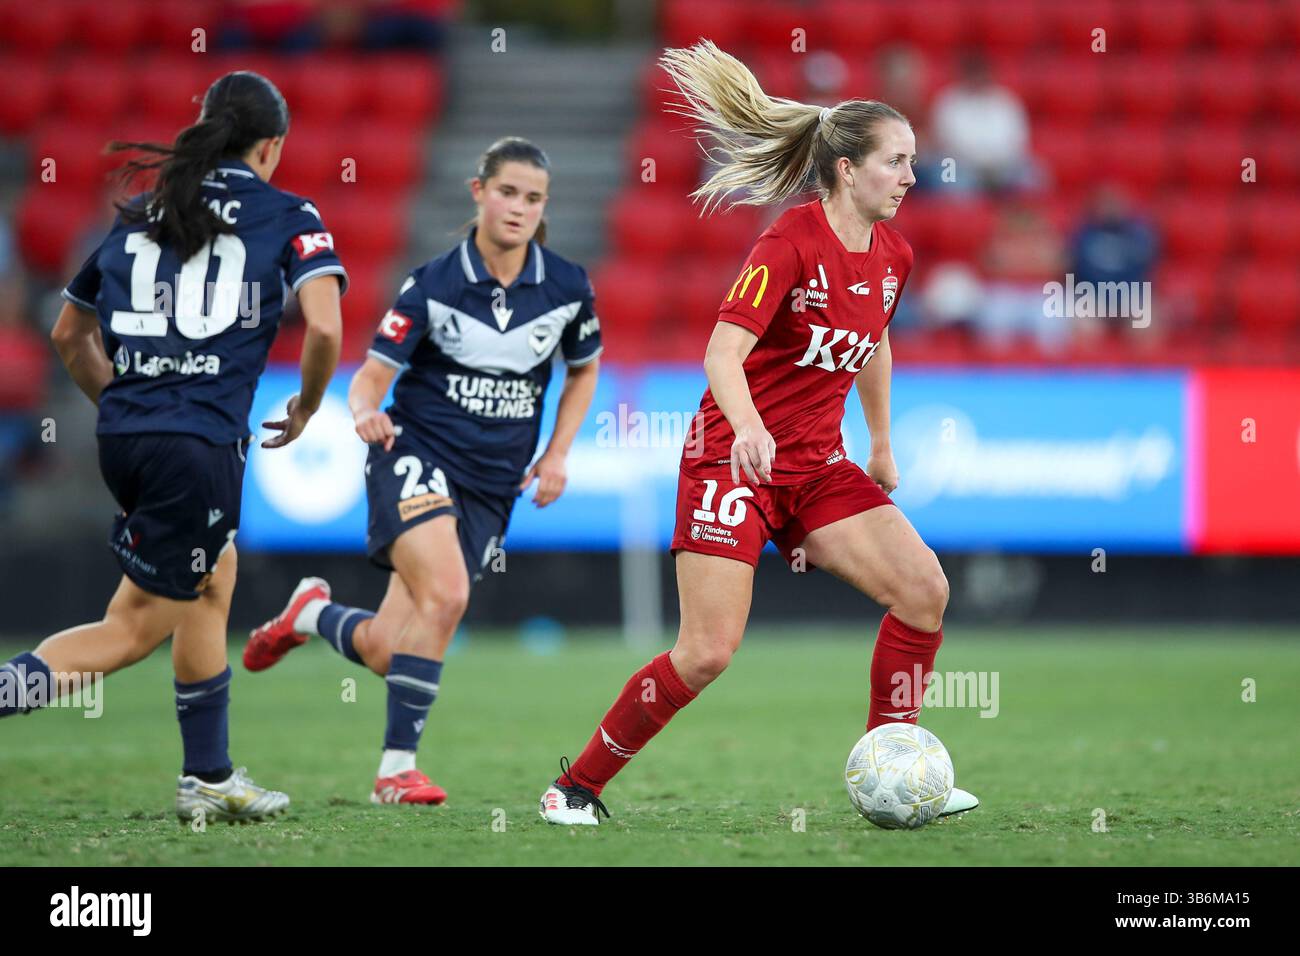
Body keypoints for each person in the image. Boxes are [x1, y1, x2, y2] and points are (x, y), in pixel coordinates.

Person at [538, 41, 978, 825]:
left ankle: (895, 764)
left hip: (815, 465)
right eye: (898, 160)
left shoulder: (894, 254)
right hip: (730, 461)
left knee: (923, 592)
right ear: (848, 169)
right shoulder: (789, 242)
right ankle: (575, 788)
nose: (914, 176)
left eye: (913, 161)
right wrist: (745, 428)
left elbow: (873, 341)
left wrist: (879, 443)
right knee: (706, 651)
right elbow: (722, 351)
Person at [0, 72, 345, 824]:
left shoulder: (147, 210)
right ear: (271, 146)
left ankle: (209, 776)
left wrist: (129, 407)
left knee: (211, 581)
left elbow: (68, 333)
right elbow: (322, 326)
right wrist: (312, 404)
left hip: (128, 437)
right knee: (131, 629)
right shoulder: (289, 212)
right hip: (198, 446)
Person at [244, 137, 602, 805]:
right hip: (415, 453)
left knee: (387, 648)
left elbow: (584, 371)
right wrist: (364, 412)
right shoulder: (434, 283)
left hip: (494, 483)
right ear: (479, 192)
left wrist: (556, 452)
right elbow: (370, 377)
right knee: (447, 596)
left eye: (532, 198)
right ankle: (394, 773)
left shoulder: (565, 286)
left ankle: (310, 614)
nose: (518, 208)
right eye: (507, 192)